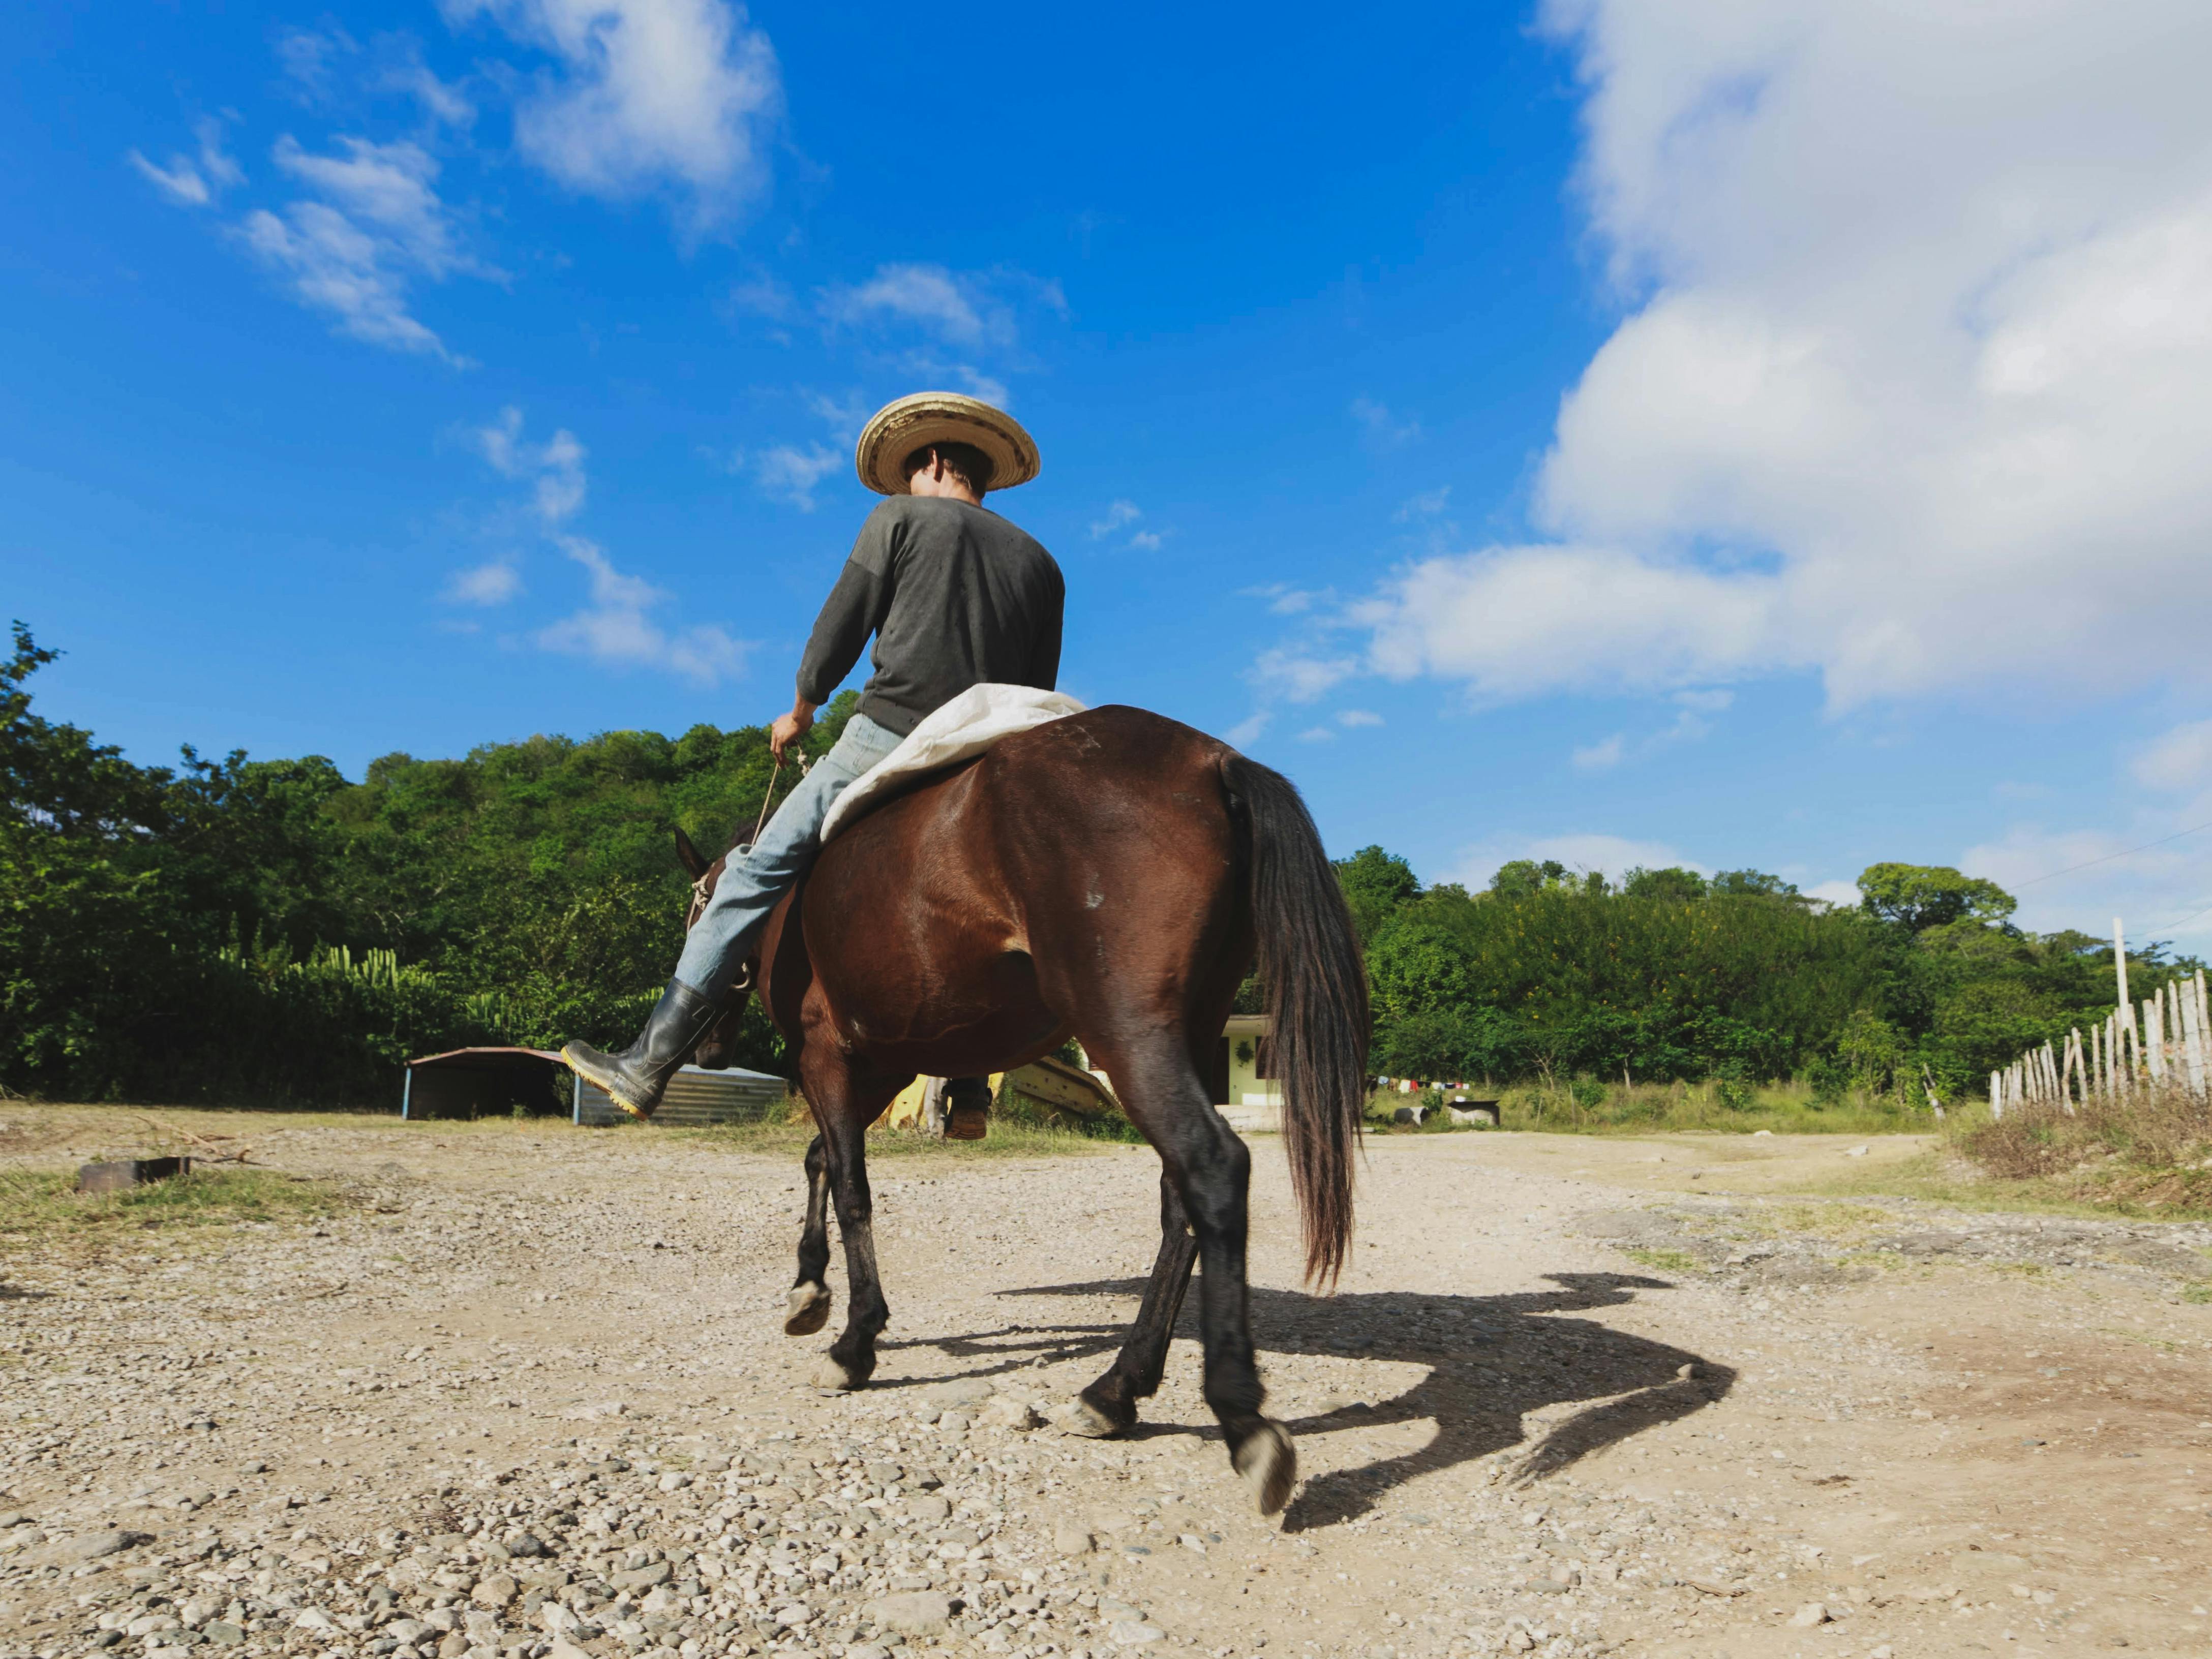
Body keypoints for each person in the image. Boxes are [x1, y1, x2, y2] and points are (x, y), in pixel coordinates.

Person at [562, 392, 1064, 1138]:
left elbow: (840, 628)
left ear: (929, 463)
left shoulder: (897, 519)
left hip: (891, 734)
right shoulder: (1042, 565)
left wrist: (800, 710)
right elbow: (1036, 691)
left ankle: (648, 1061)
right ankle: (970, 1095)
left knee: (751, 871)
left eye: (910, 474)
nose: (906, 487)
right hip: (989, 747)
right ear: (980, 474)